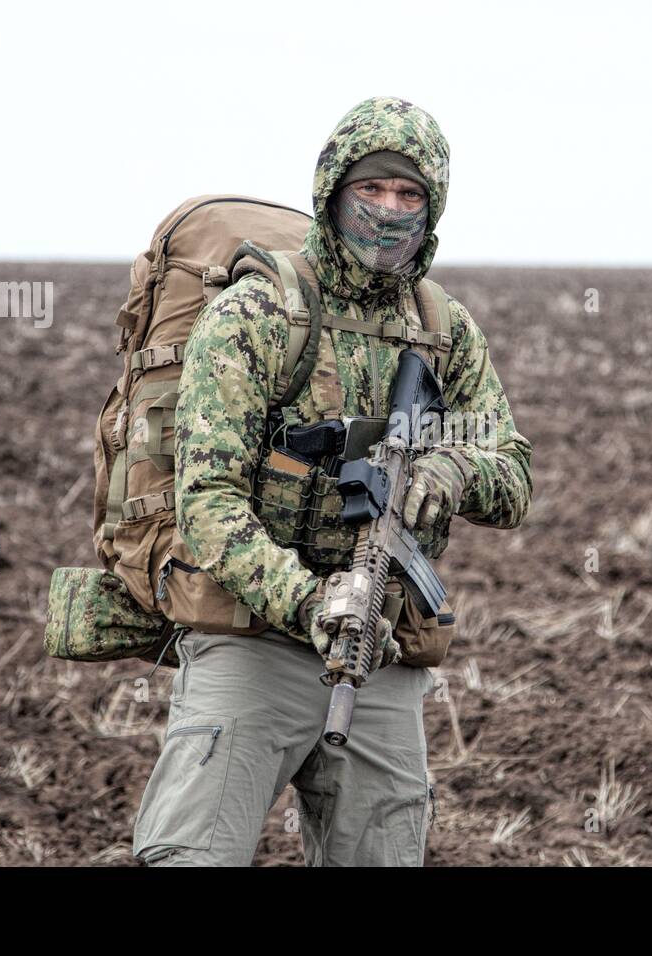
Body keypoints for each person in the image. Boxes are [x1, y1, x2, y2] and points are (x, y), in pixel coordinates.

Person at [131, 96, 532, 866]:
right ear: (333, 192)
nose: (388, 211)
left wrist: (450, 467)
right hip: (251, 640)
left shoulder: (445, 331)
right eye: (371, 190)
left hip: (381, 656)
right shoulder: (256, 315)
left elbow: (514, 471)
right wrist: (312, 603)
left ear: (433, 207)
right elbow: (208, 503)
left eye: (409, 195)